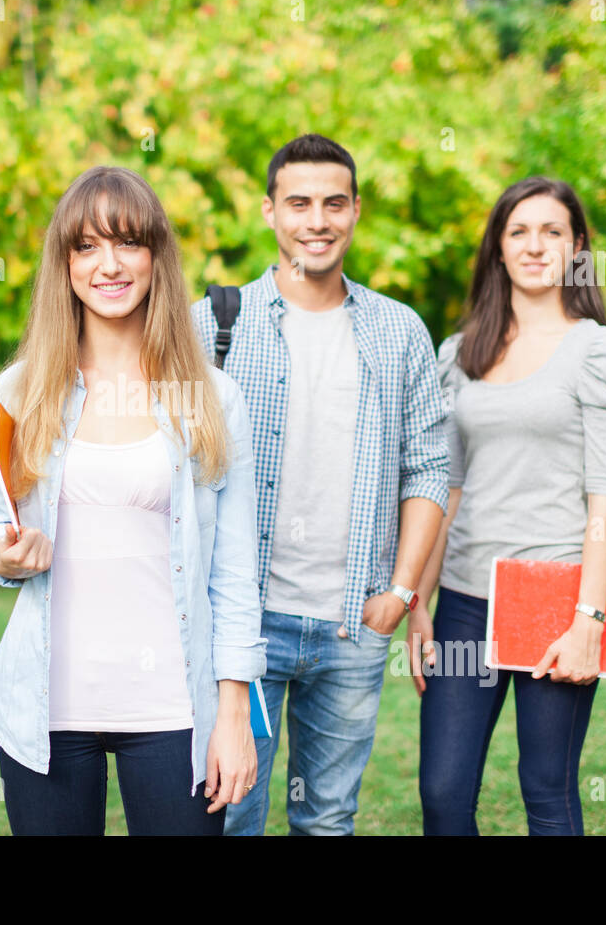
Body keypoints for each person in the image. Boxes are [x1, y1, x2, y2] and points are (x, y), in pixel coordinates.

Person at [0, 165, 265, 836]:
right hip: (49, 707)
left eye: (128, 243)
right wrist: (10, 555)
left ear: (156, 256)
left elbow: (234, 574)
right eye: (86, 247)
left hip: (174, 708)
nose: (108, 265)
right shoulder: (19, 391)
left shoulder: (213, 398)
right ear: (65, 264)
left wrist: (233, 718)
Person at [192, 133, 450, 836]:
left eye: (334, 203)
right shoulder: (210, 325)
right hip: (241, 625)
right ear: (269, 212)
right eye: (299, 202)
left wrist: (401, 592)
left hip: (352, 625)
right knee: (226, 815)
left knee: (328, 820)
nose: (318, 220)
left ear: (356, 211)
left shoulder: (399, 332)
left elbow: (428, 465)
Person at [410, 176, 606, 835]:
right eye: (519, 231)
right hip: (462, 600)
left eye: (552, 231)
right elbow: (448, 487)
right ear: (498, 248)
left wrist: (589, 622)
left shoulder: (596, 353)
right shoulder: (461, 354)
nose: (534, 245)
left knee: (545, 789)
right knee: (443, 792)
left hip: (557, 597)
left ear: (576, 247)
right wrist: (421, 603)